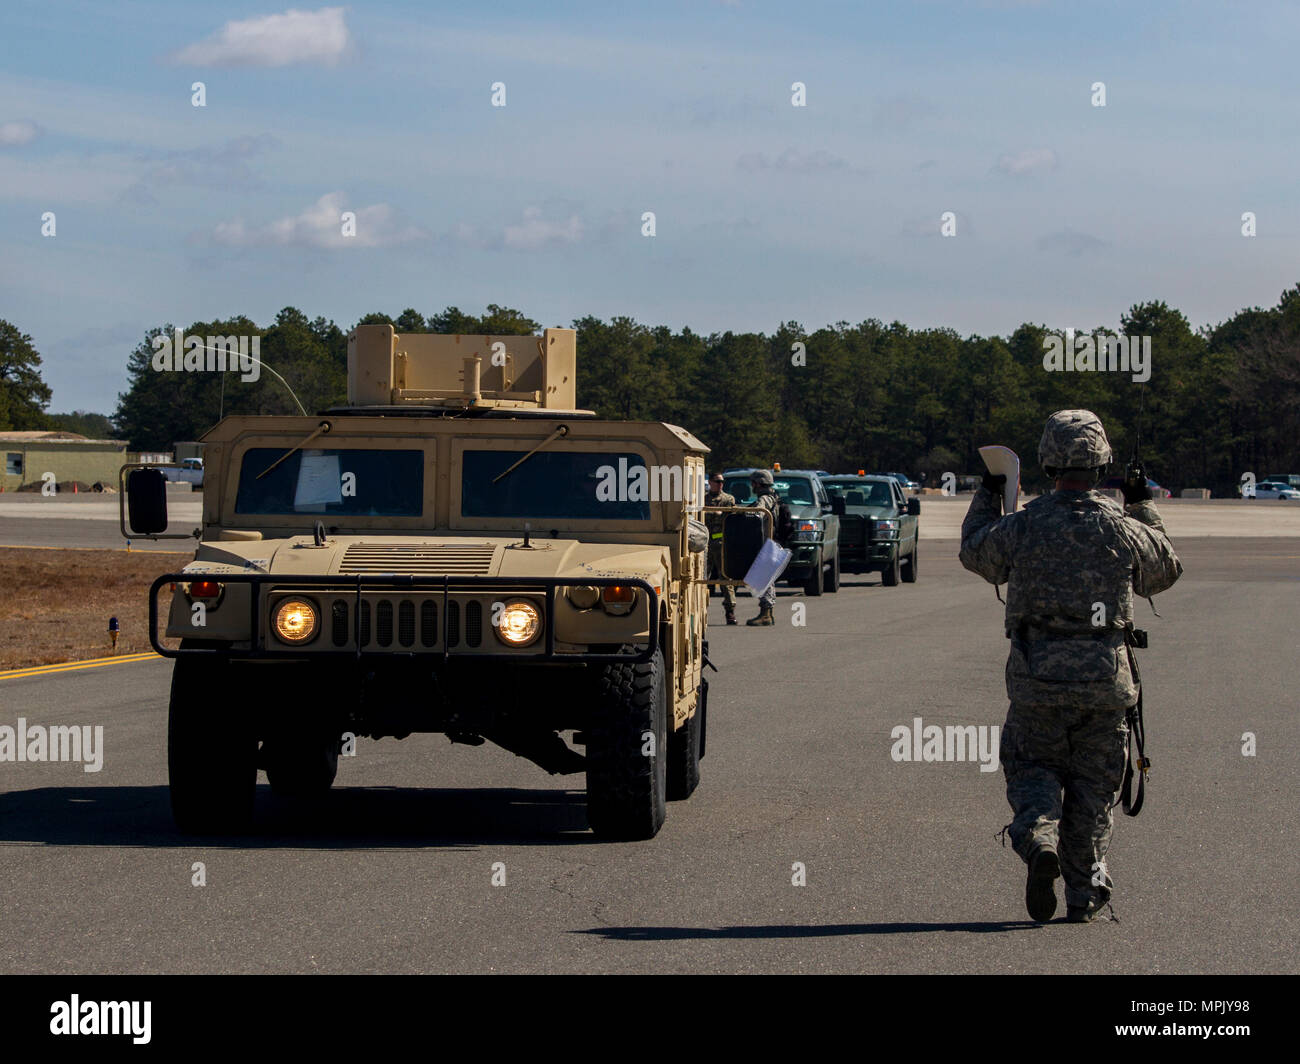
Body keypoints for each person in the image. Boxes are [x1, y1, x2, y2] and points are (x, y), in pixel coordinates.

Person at [959, 410, 1182, 923]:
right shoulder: (1122, 527)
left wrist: (991, 492)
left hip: (1038, 679)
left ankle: (1040, 839)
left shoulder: (1023, 526)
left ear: (1046, 462)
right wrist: (1143, 503)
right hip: (1104, 683)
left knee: (1034, 770)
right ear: (1102, 463)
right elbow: (1163, 570)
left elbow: (976, 552)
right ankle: (1083, 891)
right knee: (1093, 789)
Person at [747, 469, 782, 626]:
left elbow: (757, 514)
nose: (752, 486)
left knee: (764, 580)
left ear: (758, 484)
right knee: (767, 579)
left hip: (765, 545)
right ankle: (767, 613)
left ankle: (766, 614)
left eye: (753, 483)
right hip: (770, 544)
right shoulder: (774, 497)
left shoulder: (765, 499)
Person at [704, 473, 738, 624]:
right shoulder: (703, 498)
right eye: (717, 481)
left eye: (722, 482)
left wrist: (720, 513)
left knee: (725, 578)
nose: (720, 484)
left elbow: (732, 515)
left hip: (720, 543)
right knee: (702, 578)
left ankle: (730, 611)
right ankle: (700, 610)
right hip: (703, 544)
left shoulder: (727, 499)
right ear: (710, 482)